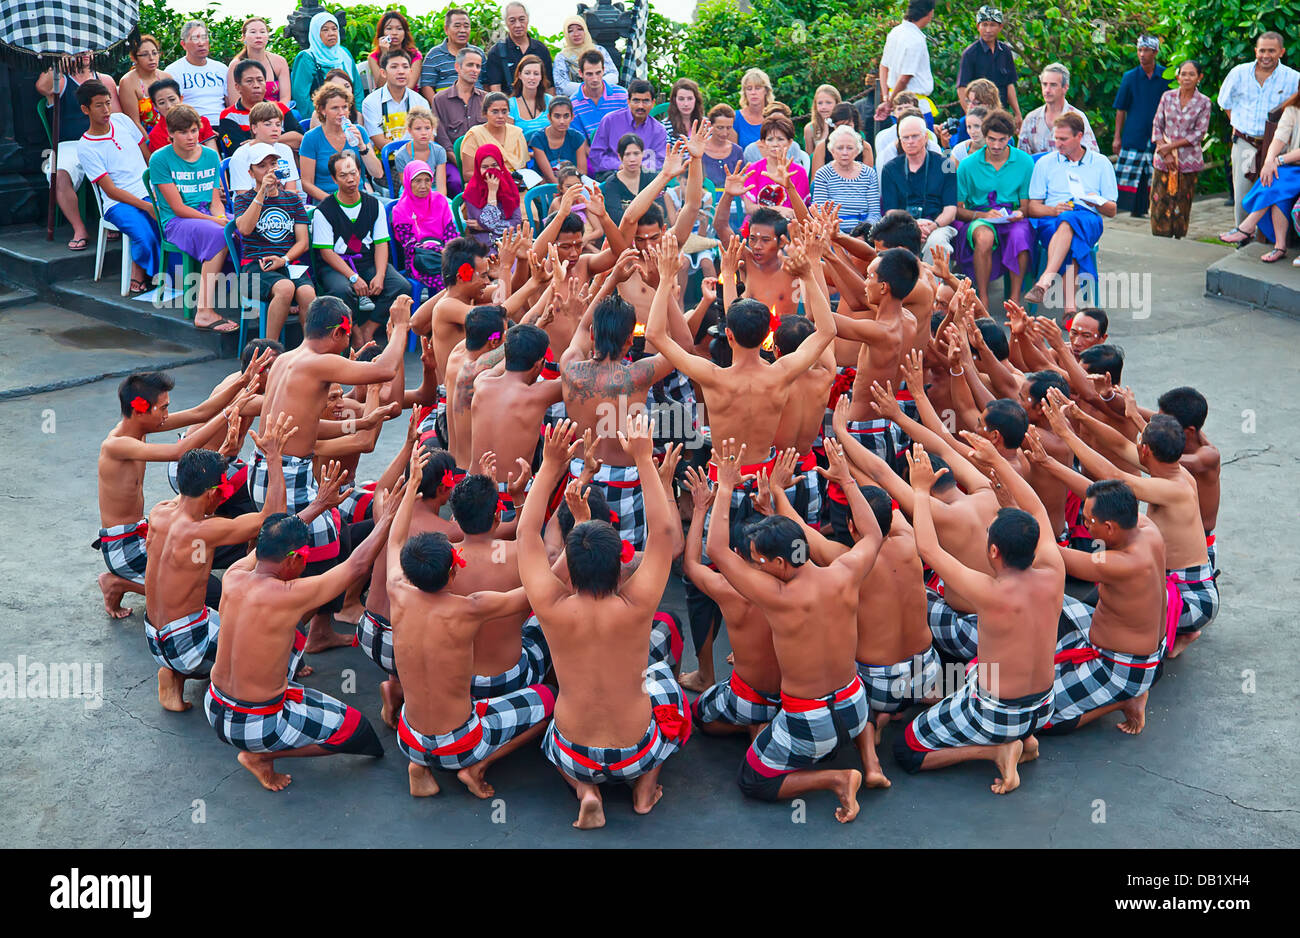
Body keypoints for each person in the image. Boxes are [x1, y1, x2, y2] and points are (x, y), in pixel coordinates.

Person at [515, 416, 688, 829]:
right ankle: (644, 788)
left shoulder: (551, 605)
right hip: (637, 751)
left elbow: (526, 536)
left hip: (574, 752)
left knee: (553, 742)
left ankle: (585, 791)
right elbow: (664, 534)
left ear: (569, 568)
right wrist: (645, 461)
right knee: (666, 683)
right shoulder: (638, 603)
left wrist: (551, 466)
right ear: (620, 567)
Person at [708, 438, 881, 821]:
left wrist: (723, 487)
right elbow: (873, 536)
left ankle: (837, 779)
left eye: (759, 561)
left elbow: (717, 551)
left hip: (809, 721)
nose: (755, 566)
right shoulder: (844, 573)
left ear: (781, 563)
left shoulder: (777, 596)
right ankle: (864, 758)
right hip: (855, 707)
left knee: (753, 780)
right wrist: (847, 480)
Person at [894, 440, 1063, 794]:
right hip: (1046, 704)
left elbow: (927, 548)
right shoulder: (1053, 567)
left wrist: (920, 491)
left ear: (994, 550)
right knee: (974, 668)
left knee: (907, 750)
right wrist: (998, 462)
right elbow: (1036, 509)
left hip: (999, 713)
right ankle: (1022, 739)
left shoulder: (988, 591)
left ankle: (996, 750)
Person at [387, 449, 553, 799]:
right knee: (547, 695)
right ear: (451, 569)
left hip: (409, 736)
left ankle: (419, 765)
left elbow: (395, 540)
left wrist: (412, 485)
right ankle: (478, 765)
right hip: (467, 731)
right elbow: (542, 586)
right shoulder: (471, 607)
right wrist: (541, 483)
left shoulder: (398, 589)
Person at [205, 501, 396, 791]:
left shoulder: (233, 576)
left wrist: (318, 505)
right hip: (254, 722)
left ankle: (269, 729)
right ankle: (261, 756)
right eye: (303, 556)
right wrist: (388, 517)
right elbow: (357, 565)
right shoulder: (287, 596)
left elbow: (268, 541)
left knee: (291, 630)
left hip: (215, 705)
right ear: (293, 558)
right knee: (357, 733)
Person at [1040, 395, 1218, 659]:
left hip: (1193, 600)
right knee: (1100, 599)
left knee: (1109, 603)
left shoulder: (1175, 488)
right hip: (1183, 587)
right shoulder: (1174, 471)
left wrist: (1066, 433)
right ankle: (1176, 633)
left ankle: (1179, 632)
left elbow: (1115, 477)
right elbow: (1121, 444)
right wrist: (1079, 416)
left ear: (1145, 451)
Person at [143, 416, 291, 712]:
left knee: (217, 611)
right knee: (276, 641)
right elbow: (273, 518)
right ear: (212, 493)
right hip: (188, 644)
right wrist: (274, 458)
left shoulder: (160, 512)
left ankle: (174, 674)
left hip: (155, 639)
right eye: (220, 492)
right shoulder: (204, 532)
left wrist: (225, 454)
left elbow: (201, 484)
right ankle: (224, 686)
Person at [95, 366, 263, 618]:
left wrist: (243, 382)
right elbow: (178, 452)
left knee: (237, 547)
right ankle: (119, 582)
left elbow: (201, 412)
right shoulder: (116, 445)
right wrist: (230, 412)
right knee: (213, 596)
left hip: (145, 534)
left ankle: (130, 581)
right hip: (126, 550)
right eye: (163, 408)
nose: (167, 414)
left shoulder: (142, 428)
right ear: (141, 409)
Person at [148, 104, 233, 333]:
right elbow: (177, 208)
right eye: (184, 132)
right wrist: (217, 223)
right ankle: (204, 311)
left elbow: (216, 201)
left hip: (207, 214)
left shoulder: (210, 156)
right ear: (171, 135)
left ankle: (261, 294)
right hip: (176, 221)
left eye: (194, 131)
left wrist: (221, 217)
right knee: (219, 234)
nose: (191, 137)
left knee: (242, 227)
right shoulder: (159, 159)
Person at [1023, 113, 1118, 315]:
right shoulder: (1045, 163)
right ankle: (1070, 309)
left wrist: (1094, 200)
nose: (1058, 144)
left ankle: (1045, 280)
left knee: (1070, 221)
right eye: (1056, 138)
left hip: (1089, 218)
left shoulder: (1100, 163)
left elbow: (1112, 210)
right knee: (1070, 229)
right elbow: (1032, 208)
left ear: (1079, 136)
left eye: (1063, 139)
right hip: (1052, 221)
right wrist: (1053, 210)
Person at [312, 152, 408, 345]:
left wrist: (380, 275)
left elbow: (381, 243)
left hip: (367, 261)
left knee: (400, 285)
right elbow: (326, 253)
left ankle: (369, 328)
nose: (350, 179)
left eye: (353, 173)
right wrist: (353, 278)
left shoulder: (374, 205)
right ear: (334, 178)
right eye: (343, 175)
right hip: (337, 266)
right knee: (342, 290)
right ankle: (354, 331)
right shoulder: (324, 210)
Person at [76, 80, 159, 295]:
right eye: (98, 105)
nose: (106, 110)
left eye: (108, 103)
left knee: (173, 226)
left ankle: (158, 274)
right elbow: (110, 191)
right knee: (145, 235)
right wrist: (146, 206)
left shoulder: (122, 120)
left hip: (148, 191)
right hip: (118, 204)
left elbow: (146, 153)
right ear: (85, 109)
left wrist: (159, 189)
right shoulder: (86, 146)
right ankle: (155, 275)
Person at [36, 51, 120, 252]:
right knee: (60, 173)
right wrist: (58, 64)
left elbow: (118, 116)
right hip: (70, 144)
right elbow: (42, 87)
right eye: (77, 48)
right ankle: (79, 228)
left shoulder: (104, 80)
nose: (83, 53)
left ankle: (115, 218)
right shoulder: (60, 80)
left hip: (102, 141)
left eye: (87, 48)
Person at [1217, 32, 1300, 226]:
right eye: (1262, 50)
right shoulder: (1239, 73)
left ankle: (1267, 242)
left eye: (1272, 51)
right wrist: (1240, 128)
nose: (1266, 55)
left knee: (1272, 192)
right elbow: (1225, 103)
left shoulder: (1293, 78)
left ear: (1281, 52)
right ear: (1256, 51)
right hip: (1246, 143)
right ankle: (1242, 239)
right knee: (1243, 194)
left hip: (1278, 147)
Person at [234, 144, 316, 341]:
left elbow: (302, 242)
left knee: (308, 294)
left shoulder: (292, 200)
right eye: (262, 166)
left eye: (273, 163)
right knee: (285, 288)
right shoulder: (243, 200)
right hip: (254, 267)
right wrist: (262, 193)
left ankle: (310, 351)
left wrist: (284, 259)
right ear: (251, 173)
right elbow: (244, 229)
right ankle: (269, 351)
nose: (269, 170)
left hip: (287, 264)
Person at [954, 109, 1034, 306]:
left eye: (1002, 139)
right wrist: (983, 215)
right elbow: (958, 209)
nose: (996, 145)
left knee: (1020, 236)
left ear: (1010, 137)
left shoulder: (1024, 161)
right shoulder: (967, 165)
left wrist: (1019, 213)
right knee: (984, 237)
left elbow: (1026, 206)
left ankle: (1015, 299)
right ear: (984, 135)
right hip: (979, 217)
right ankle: (984, 299)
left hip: (1012, 216)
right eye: (991, 139)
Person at [1219, 89, 1300, 264]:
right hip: (1291, 167)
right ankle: (1279, 246)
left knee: (1277, 182)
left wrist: (1278, 161)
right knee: (1274, 183)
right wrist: (1270, 161)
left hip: (1291, 165)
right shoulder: (1293, 110)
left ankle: (1248, 227)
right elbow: (1279, 138)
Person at [879, 115, 957, 263]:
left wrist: (932, 226)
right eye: (905, 138)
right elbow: (891, 211)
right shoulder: (890, 169)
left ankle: (933, 286)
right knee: (895, 244)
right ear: (900, 140)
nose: (910, 141)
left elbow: (950, 211)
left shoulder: (946, 166)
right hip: (903, 224)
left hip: (937, 224)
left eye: (915, 136)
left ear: (926, 137)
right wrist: (913, 226)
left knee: (937, 244)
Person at [1150, 60, 1212, 240]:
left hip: (1188, 161)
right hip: (1163, 159)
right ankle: (1159, 236)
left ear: (1199, 77)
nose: (1187, 78)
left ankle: (1178, 236)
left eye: (1191, 74)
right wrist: (1165, 150)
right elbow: (1157, 125)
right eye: (1183, 74)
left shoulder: (1204, 102)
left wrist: (1172, 147)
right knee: (1159, 199)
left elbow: (1199, 133)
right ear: (1177, 76)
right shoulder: (1167, 97)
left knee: (1182, 201)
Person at [1113, 35, 1172, 218]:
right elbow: (1121, 109)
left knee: (1153, 173)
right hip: (1134, 132)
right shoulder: (1129, 77)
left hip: (1159, 134)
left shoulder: (1165, 76)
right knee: (1133, 172)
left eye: (1146, 50)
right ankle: (1134, 210)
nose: (1142, 54)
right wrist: (1117, 136)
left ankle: (1155, 208)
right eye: (1140, 50)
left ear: (1155, 52)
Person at [299, 83, 384, 202]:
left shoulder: (359, 131)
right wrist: (335, 202)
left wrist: (362, 146)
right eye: (335, 108)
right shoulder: (311, 138)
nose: (341, 112)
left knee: (391, 208)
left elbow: (378, 173)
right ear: (323, 110)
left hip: (358, 196)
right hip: (328, 200)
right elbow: (307, 183)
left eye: (344, 107)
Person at [391, 160, 459, 293]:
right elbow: (410, 245)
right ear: (408, 182)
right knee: (450, 279)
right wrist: (440, 251)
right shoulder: (400, 210)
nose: (423, 186)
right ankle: (447, 312)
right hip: (421, 260)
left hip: (446, 256)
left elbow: (450, 233)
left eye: (427, 180)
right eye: (417, 181)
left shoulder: (439, 200)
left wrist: (452, 251)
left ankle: (465, 309)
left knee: (467, 272)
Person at [218, 59, 304, 157]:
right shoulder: (229, 116)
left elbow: (300, 139)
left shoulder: (280, 108)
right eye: (249, 81)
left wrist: (260, 141)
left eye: (260, 80)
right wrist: (281, 139)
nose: (256, 85)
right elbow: (239, 151)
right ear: (238, 87)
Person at [431, 47, 488, 194]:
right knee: (456, 182)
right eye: (470, 65)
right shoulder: (440, 100)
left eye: (478, 66)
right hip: (453, 162)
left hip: (485, 162)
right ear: (457, 67)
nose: (475, 70)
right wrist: (465, 165)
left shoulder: (486, 99)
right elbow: (443, 140)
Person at [591, 80, 669, 179]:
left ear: (653, 103)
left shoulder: (658, 130)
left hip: (644, 176)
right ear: (628, 101)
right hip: (612, 174)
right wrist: (620, 166)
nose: (640, 106)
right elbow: (596, 156)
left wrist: (636, 167)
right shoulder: (610, 120)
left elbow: (659, 161)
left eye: (645, 101)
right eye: (636, 100)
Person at [957, 6, 1021, 127]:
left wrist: (1017, 113)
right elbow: (961, 88)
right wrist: (971, 118)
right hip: (976, 118)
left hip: (999, 115)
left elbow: (1009, 85)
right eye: (984, 24)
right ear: (978, 27)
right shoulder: (970, 54)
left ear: (1000, 27)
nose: (988, 29)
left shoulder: (1005, 51)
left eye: (992, 25)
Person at [876, 0, 936, 124]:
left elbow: (883, 66)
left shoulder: (895, 32)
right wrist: (889, 102)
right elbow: (905, 78)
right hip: (914, 107)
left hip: (896, 104)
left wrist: (887, 97)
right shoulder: (915, 40)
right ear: (930, 13)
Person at [812, 126, 881, 233]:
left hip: (864, 234)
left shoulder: (869, 173)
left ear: (857, 151)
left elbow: (875, 213)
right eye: (840, 148)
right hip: (833, 233)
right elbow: (821, 213)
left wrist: (862, 234)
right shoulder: (823, 174)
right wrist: (841, 236)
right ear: (832, 150)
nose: (845, 152)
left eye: (849, 148)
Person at [1019, 63, 1099, 155]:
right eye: (1044, 84)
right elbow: (1022, 159)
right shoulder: (1031, 119)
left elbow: (1092, 155)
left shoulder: (1078, 117)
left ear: (1065, 87)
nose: (1047, 90)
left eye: (1053, 85)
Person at [291, 11, 360, 116]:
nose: (331, 33)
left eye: (334, 28)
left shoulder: (344, 54)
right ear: (316, 33)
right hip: (321, 117)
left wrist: (358, 114)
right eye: (325, 30)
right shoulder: (307, 58)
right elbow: (301, 97)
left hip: (348, 114)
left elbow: (357, 88)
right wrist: (320, 118)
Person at [228, 102, 302, 197]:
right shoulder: (241, 155)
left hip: (282, 203)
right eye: (268, 124)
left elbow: (291, 188)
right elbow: (243, 196)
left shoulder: (285, 150)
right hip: (252, 206)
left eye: (278, 124)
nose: (275, 129)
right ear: (254, 128)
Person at [742, 114, 810, 217]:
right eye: (770, 139)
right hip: (758, 225)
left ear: (790, 142)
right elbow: (749, 208)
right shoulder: (753, 170)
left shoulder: (798, 172)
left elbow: (801, 211)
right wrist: (777, 209)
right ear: (763, 143)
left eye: (780, 139)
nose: (775, 144)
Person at [461, 92, 533, 183]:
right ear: (485, 113)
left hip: (516, 185)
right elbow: (467, 174)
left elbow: (523, 168)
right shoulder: (475, 135)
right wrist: (501, 178)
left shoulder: (517, 133)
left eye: (504, 111)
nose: (500, 116)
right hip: (484, 185)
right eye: (495, 112)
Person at [165, 21, 227, 126]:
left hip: (224, 126)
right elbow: (174, 109)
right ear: (183, 44)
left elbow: (230, 102)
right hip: (192, 128)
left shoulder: (221, 69)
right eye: (195, 38)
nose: (201, 43)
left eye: (204, 38)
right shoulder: (173, 71)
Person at [462, 144, 524, 244]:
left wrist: (484, 227)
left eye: (495, 165)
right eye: (485, 167)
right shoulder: (472, 191)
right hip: (483, 242)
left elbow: (516, 222)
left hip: (508, 239)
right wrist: (492, 192)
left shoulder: (509, 186)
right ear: (478, 168)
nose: (491, 171)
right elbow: (487, 223)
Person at [485, 3, 553, 94]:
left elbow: (549, 86)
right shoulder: (496, 52)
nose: (518, 25)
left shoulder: (541, 49)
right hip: (509, 105)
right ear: (506, 22)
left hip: (539, 105)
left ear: (528, 19)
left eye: (521, 19)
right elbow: (495, 88)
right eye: (512, 20)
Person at [226, 17, 292, 108]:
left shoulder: (280, 62)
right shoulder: (235, 65)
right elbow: (234, 102)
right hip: (247, 116)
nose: (258, 36)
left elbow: (285, 98)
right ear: (244, 37)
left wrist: (273, 115)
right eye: (253, 32)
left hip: (276, 114)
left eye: (262, 32)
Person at [362, 48, 420, 150]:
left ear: (410, 72)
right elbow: (380, 142)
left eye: (405, 67)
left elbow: (427, 139)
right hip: (383, 161)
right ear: (383, 73)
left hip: (415, 160)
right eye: (394, 67)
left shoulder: (420, 101)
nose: (401, 72)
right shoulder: (370, 102)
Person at [600, 134, 662, 226]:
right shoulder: (612, 184)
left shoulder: (653, 179)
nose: (632, 159)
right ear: (619, 157)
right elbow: (616, 217)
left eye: (636, 154)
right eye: (627, 154)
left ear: (642, 154)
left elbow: (661, 210)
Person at [144, 78, 217, 153]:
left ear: (181, 98)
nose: (169, 106)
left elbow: (215, 156)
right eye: (162, 103)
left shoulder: (202, 121)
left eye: (172, 100)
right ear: (155, 106)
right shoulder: (156, 134)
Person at [552, 14, 618, 98]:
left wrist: (596, 85)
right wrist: (588, 88)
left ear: (585, 30)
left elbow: (613, 75)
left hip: (603, 98)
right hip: (575, 103)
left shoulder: (599, 50)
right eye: (570, 31)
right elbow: (561, 86)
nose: (576, 34)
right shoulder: (562, 57)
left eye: (580, 29)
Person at [570, 50, 629, 143]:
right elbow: (579, 142)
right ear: (581, 73)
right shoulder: (573, 103)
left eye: (598, 72)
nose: (595, 79)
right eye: (589, 74)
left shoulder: (622, 95)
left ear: (604, 70)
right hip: (590, 154)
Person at [529, 96, 588, 184]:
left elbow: (582, 172)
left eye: (566, 116)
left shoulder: (577, 137)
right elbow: (550, 177)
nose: (562, 121)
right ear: (549, 117)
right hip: (547, 185)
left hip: (573, 184)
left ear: (572, 117)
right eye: (557, 116)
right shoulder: (538, 139)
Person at [119, 35, 171, 134]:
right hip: (146, 138)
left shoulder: (166, 77)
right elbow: (134, 122)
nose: (152, 58)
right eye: (144, 54)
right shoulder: (128, 82)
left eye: (155, 53)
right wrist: (150, 145)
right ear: (134, 58)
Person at [391, 106, 449, 193]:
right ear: (410, 130)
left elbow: (441, 187)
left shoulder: (439, 151)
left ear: (432, 129)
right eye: (418, 129)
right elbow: (407, 187)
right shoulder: (401, 155)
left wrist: (439, 203)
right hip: (411, 193)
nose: (423, 133)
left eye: (427, 128)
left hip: (433, 190)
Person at [366, 10, 423, 92]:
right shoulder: (373, 57)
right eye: (389, 28)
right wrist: (385, 55)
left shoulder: (415, 55)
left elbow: (409, 86)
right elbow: (381, 86)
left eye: (399, 29)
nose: (394, 33)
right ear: (382, 33)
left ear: (405, 33)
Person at [506, 54, 553, 140]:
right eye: (527, 73)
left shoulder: (550, 101)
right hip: (521, 151)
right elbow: (509, 138)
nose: (531, 78)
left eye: (536, 74)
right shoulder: (511, 104)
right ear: (519, 75)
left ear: (541, 77)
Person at [733, 68, 774, 150]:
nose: (753, 92)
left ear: (766, 91)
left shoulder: (775, 116)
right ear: (744, 92)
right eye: (749, 88)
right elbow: (732, 153)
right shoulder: (735, 118)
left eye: (758, 88)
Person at [803, 84, 843, 155]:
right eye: (820, 103)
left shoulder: (844, 125)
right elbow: (810, 159)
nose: (824, 107)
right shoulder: (810, 129)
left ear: (837, 103)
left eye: (828, 103)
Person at [664, 78, 705, 146]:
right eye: (681, 99)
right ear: (674, 100)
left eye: (690, 99)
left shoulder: (706, 125)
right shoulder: (665, 127)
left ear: (696, 99)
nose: (686, 104)